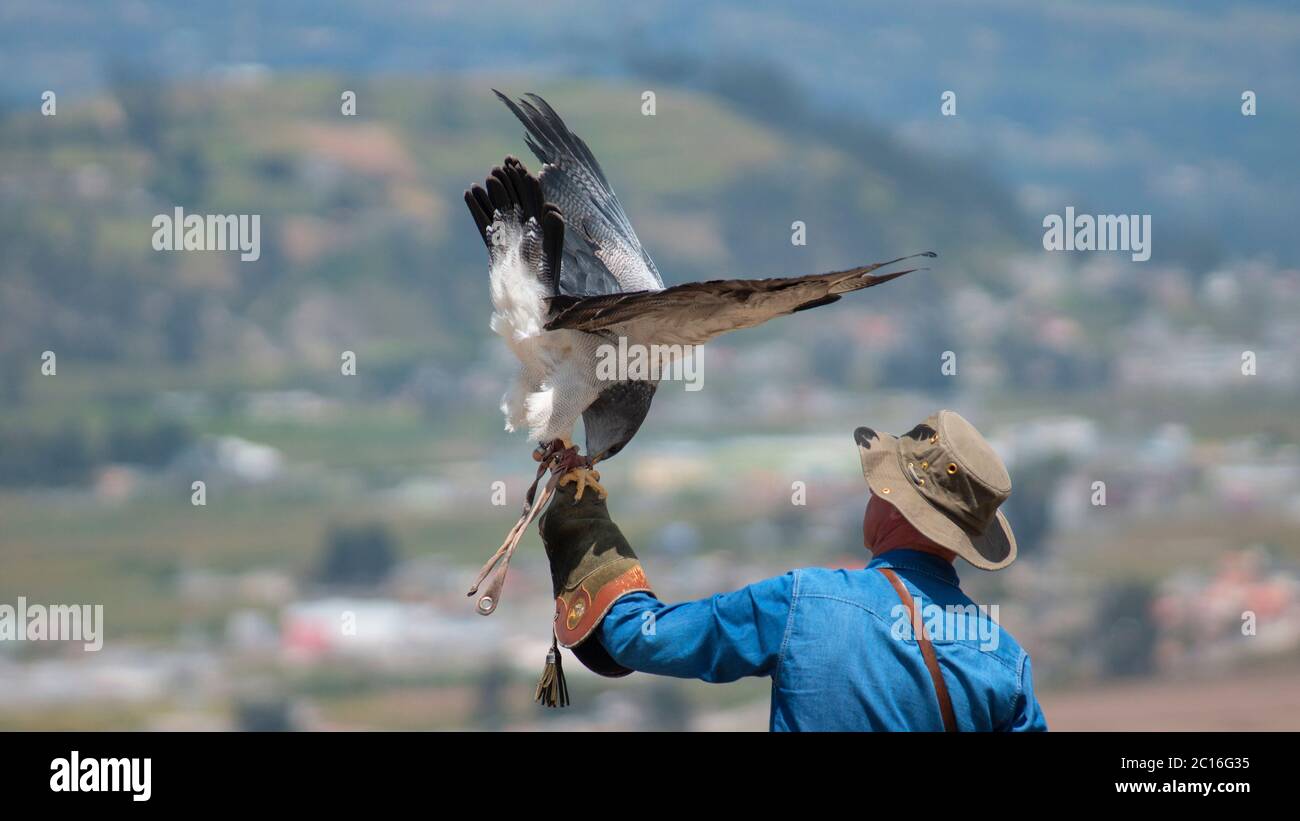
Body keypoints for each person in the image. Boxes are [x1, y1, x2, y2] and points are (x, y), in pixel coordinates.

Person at [536, 409, 1048, 731]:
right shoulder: (1004, 663)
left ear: (893, 506)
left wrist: (584, 528)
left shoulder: (805, 603)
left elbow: (640, 638)